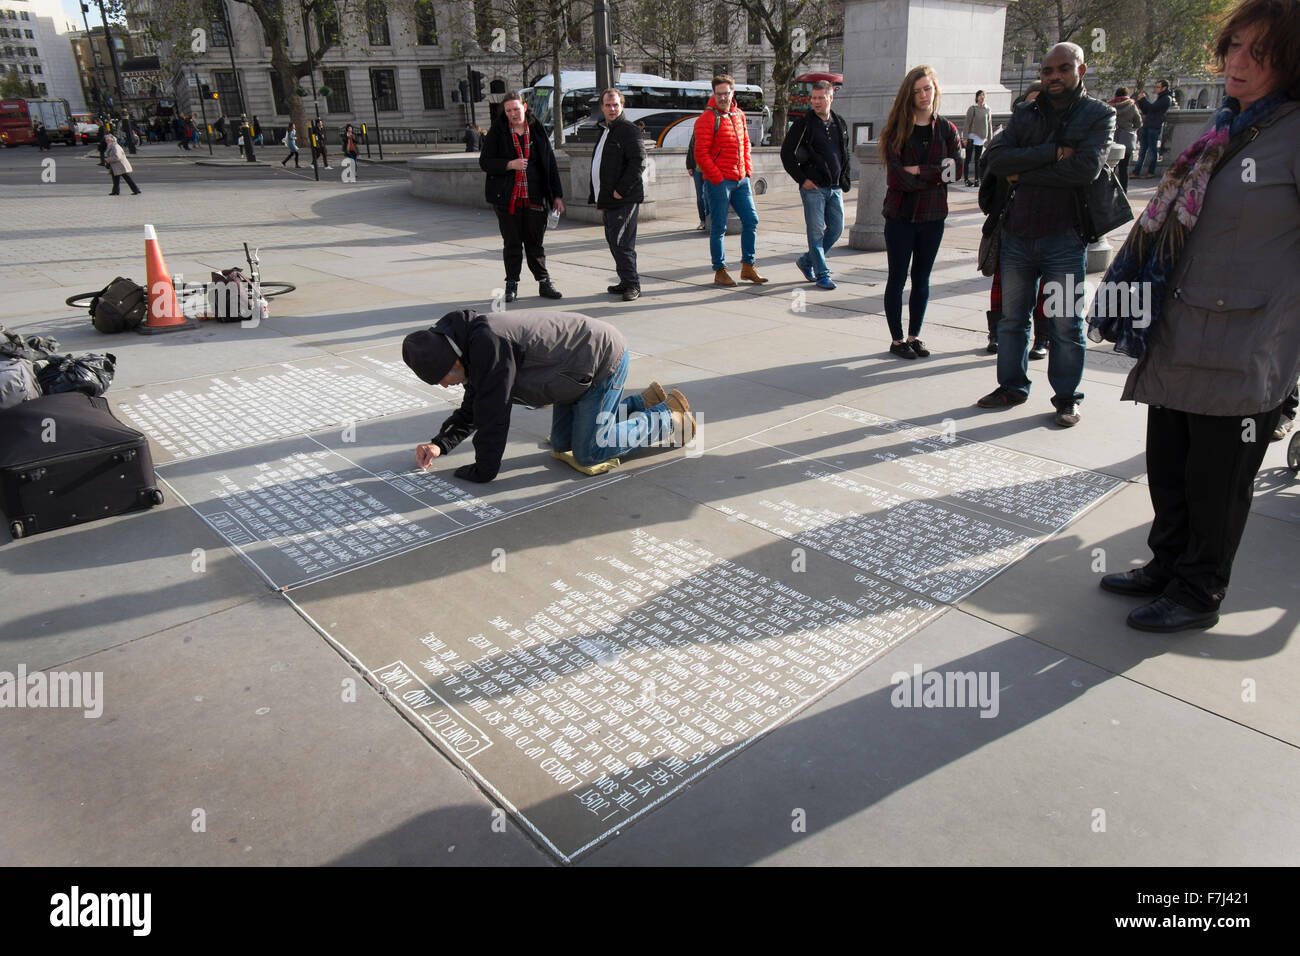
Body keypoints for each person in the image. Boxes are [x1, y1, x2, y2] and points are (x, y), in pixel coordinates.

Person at [1088, 0, 1300, 632]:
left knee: (1218, 478)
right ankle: (1166, 564)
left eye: (1255, 53)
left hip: (1247, 344)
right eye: (1233, 46)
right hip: (1180, 330)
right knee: (1170, 462)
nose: (1235, 61)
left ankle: (1199, 589)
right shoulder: (1227, 126)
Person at [977, 42, 1115, 425]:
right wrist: (1055, 153)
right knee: (1011, 319)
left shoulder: (1098, 115)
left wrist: (1024, 170)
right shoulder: (1025, 112)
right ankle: (1011, 387)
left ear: (1080, 70)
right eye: (1048, 71)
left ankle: (1067, 397)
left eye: (1063, 69)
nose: (1054, 77)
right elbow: (997, 160)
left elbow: (1084, 170)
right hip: (1018, 233)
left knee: (1066, 324)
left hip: (1064, 237)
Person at [403, 310, 694, 482]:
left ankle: (668, 417)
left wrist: (484, 470)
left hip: (603, 363)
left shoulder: (487, 347)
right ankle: (642, 402)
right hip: (572, 376)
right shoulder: (469, 345)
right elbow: (475, 404)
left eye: (442, 380)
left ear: (453, 363)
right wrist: (440, 444)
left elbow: (493, 414)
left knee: (588, 452)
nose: (444, 387)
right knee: (561, 443)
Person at [880, 65, 962, 359]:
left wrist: (920, 171)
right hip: (900, 216)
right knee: (897, 277)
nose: (924, 95)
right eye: (917, 91)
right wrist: (935, 174)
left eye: (928, 88)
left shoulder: (947, 129)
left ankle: (915, 335)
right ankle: (897, 339)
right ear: (909, 95)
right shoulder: (896, 130)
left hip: (933, 216)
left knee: (922, 278)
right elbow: (896, 177)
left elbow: (956, 171)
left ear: (935, 90)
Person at [982, 82, 1052, 357]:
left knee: (1047, 288)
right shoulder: (1006, 138)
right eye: (1029, 105)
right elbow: (991, 173)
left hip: (1050, 226)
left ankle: (1042, 338)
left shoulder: (1060, 139)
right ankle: (997, 332)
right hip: (1010, 221)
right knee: (1004, 284)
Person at [480, 91, 565, 303]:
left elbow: (550, 164)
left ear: (524, 107)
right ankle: (512, 285)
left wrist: (557, 195)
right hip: (508, 199)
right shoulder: (498, 132)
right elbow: (485, 162)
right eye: (509, 111)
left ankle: (544, 282)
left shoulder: (537, 130)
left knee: (535, 243)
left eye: (516, 109)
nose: (513, 114)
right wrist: (510, 164)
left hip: (535, 197)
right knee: (512, 243)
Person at [695, 74, 768, 286]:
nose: (723, 98)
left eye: (726, 93)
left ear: (732, 93)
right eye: (719, 94)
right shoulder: (707, 119)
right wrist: (717, 177)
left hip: (740, 179)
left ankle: (748, 266)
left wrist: (747, 169)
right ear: (713, 94)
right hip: (720, 181)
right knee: (718, 226)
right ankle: (720, 270)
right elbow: (701, 153)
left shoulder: (739, 115)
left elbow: (746, 143)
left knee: (751, 220)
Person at [781, 79, 851, 290]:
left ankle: (806, 261)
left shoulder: (840, 122)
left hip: (835, 187)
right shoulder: (804, 124)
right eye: (814, 98)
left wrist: (844, 179)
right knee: (816, 233)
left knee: (837, 229)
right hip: (814, 188)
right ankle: (822, 273)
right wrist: (802, 179)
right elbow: (786, 153)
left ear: (831, 97)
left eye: (821, 98)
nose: (817, 102)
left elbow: (844, 153)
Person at [589, 88, 647, 301]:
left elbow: (639, 161)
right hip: (608, 198)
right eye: (607, 105)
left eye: (616, 105)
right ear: (602, 107)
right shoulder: (607, 130)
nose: (612, 109)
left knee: (623, 243)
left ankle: (633, 285)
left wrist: (620, 190)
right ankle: (625, 280)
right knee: (614, 241)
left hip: (624, 198)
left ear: (622, 106)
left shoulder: (628, 129)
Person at [1133, 79, 1172, 178]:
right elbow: (1147, 111)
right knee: (1142, 151)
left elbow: (1152, 108)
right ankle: (1136, 172)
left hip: (1154, 127)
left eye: (1158, 87)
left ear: (1164, 88)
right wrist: (1141, 101)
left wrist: (1143, 100)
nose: (1156, 89)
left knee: (1152, 150)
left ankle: (1151, 172)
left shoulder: (1166, 98)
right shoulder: (1160, 98)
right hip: (1148, 125)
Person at [1109, 86, 1142, 191]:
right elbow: (1138, 122)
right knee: (1124, 168)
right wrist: (1130, 129)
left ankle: (1109, 190)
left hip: (1111, 139)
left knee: (1110, 168)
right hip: (1126, 139)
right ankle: (1124, 191)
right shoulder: (1131, 106)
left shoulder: (1109, 106)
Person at [963, 90, 992, 186]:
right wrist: (965, 137)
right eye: (980, 95)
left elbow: (989, 124)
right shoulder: (973, 108)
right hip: (972, 136)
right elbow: (967, 123)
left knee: (978, 160)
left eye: (983, 95)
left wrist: (990, 138)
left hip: (981, 137)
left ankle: (977, 180)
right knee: (968, 158)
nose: (982, 97)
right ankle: (966, 179)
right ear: (977, 97)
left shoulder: (987, 109)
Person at [685, 131, 708, 231]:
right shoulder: (696, 132)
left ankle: (709, 219)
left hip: (709, 168)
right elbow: (691, 149)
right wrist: (689, 166)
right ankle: (703, 220)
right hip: (697, 168)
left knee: (709, 195)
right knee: (700, 196)